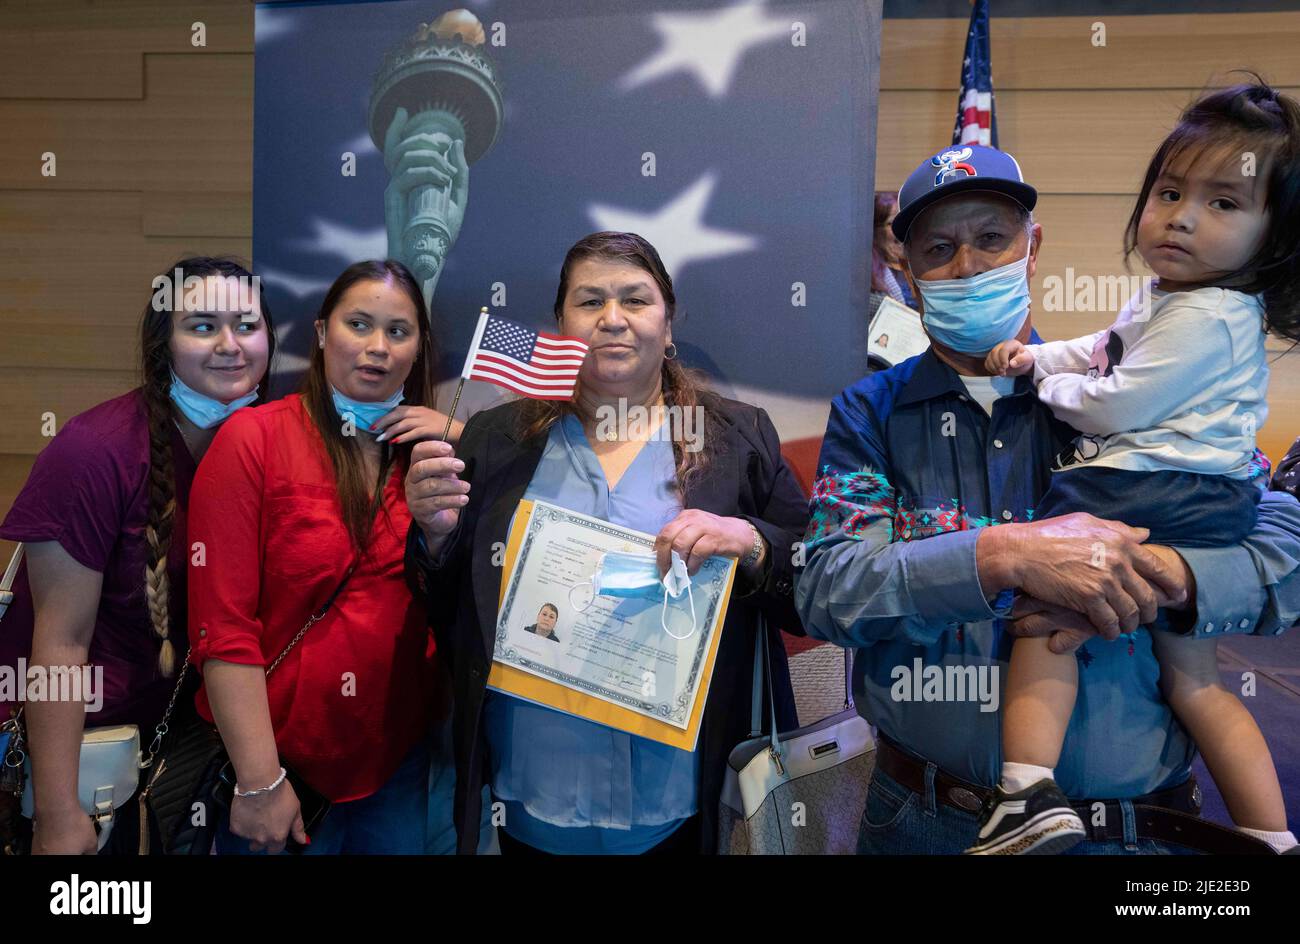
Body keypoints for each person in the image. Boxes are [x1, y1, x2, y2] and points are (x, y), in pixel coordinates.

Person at [795, 143, 1300, 855]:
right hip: (922, 820)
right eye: (938, 247)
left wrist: (1181, 578)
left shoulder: (1128, 390)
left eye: (992, 239)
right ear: (905, 270)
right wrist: (1000, 555)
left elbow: (1280, 542)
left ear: (1034, 250)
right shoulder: (868, 415)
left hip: (1132, 834)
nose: (968, 265)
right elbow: (829, 589)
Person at [404, 231, 810, 854]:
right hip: (529, 806)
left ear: (668, 323)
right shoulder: (494, 439)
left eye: (635, 300)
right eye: (590, 302)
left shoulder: (736, 437)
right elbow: (449, 606)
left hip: (681, 810)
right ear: (562, 324)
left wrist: (752, 543)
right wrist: (434, 538)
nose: (612, 319)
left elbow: (810, 577)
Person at [974, 80, 1300, 855]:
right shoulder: (1172, 299)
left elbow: (1113, 400)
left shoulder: (1215, 314)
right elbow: (1101, 349)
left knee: (1043, 625)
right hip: (1199, 498)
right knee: (1196, 681)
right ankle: (1270, 836)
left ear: (1274, 235)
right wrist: (1038, 353)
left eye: (1224, 203)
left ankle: (1024, 792)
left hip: (1146, 487)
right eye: (1170, 191)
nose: (1182, 216)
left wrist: (1041, 383)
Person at [0, 257, 275, 854]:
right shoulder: (94, 452)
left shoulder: (263, 447)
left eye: (246, 326)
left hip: (183, 754)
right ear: (162, 346)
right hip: (87, 761)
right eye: (201, 326)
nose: (230, 345)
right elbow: (59, 647)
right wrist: (55, 812)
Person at [188, 260, 459, 855]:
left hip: (395, 770)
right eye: (358, 324)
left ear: (419, 349)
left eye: (397, 331)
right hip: (280, 773)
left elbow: (464, 610)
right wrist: (261, 779)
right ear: (320, 332)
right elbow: (223, 628)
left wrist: (463, 442)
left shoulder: (434, 459)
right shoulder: (253, 440)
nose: (376, 348)